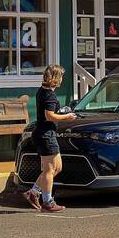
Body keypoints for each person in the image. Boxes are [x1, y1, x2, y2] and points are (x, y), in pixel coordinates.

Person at [24, 65, 76, 213]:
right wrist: (67, 116)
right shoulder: (49, 95)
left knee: (57, 167)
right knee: (49, 169)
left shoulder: (43, 91)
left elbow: (49, 112)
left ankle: (33, 192)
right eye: (61, 77)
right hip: (45, 134)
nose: (62, 80)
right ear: (56, 78)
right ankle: (47, 201)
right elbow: (49, 116)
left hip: (45, 133)